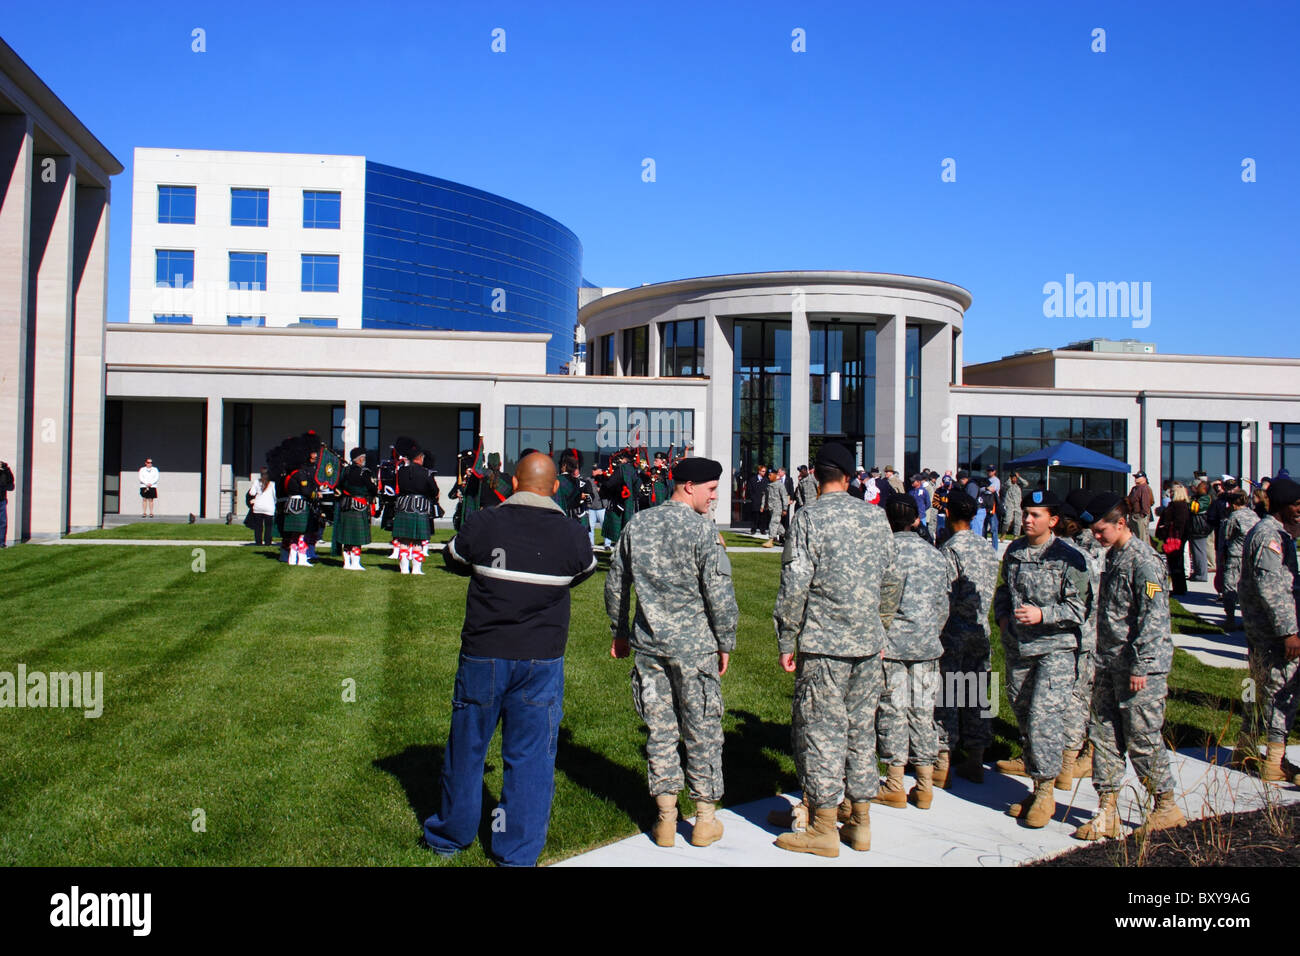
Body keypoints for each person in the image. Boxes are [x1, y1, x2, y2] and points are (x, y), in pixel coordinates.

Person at [423, 452, 596, 866]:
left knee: (467, 746)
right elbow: (582, 571)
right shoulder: (572, 534)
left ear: (514, 482)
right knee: (531, 757)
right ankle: (516, 851)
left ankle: (452, 834)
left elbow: (453, 558)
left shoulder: (485, 521)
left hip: (484, 653)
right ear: (556, 488)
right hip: (541, 659)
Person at [772, 442, 899, 857]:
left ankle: (824, 827)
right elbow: (892, 580)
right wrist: (879, 627)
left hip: (824, 644)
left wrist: (786, 638)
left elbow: (795, 584)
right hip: (866, 643)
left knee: (823, 732)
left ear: (816, 478)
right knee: (861, 730)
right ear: (848, 478)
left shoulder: (808, 518)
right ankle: (859, 820)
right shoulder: (876, 517)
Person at [605, 457, 738, 848]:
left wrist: (619, 632)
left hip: (648, 644)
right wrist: (725, 640)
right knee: (703, 731)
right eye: (711, 490)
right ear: (689, 486)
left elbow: (616, 585)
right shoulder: (702, 531)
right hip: (694, 648)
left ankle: (665, 820)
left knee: (660, 732)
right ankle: (704, 820)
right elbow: (720, 594)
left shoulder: (638, 524)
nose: (714, 498)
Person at [1071, 491, 1184, 840]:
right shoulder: (1115, 556)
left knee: (1142, 739)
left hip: (1139, 669)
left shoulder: (1145, 562)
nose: (1096, 536)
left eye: (1102, 529)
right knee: (1103, 736)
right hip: (1109, 664)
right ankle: (1107, 810)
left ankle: (1166, 805)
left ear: (1121, 523)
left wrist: (1143, 666)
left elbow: (1154, 618)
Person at [993, 489, 1089, 829]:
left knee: (1043, 718)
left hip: (1055, 648)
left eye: (1035, 514)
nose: (1028, 519)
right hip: (1020, 648)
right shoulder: (1016, 551)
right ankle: (1035, 785)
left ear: (1053, 520)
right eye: (1026, 513)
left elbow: (1079, 607)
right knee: (1020, 710)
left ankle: (1046, 792)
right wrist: (1002, 617)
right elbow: (1005, 589)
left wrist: (1043, 613)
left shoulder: (1070, 557)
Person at [873, 493, 951, 810]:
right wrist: (932, 631)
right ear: (916, 520)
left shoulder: (883, 553)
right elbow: (943, 604)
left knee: (892, 711)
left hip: (891, 645)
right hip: (927, 643)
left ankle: (893, 781)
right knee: (922, 712)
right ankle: (924, 783)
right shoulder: (936, 556)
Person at [1231, 477, 1300, 783]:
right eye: (1298, 505)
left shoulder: (1277, 532)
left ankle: (1245, 744)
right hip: (1273, 629)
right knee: (1280, 689)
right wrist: (1289, 632)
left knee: (1255, 685)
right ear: (1286, 506)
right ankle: (1275, 759)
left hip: (1263, 626)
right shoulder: (1269, 535)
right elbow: (1271, 586)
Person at [934, 491, 999, 786]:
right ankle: (976, 756)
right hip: (981, 627)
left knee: (947, 692)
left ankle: (943, 758)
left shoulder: (950, 549)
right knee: (979, 693)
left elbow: (944, 593)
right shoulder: (986, 547)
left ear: (949, 515)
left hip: (954, 627)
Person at [393, 441, 436, 575]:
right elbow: (434, 490)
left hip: (404, 504)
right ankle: (416, 569)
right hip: (420, 506)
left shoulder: (401, 472)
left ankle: (404, 569)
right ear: (419, 458)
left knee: (404, 539)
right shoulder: (426, 473)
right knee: (418, 541)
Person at [1216, 490, 1257, 630]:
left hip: (1235, 555)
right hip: (1250, 556)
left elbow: (1227, 535)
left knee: (1230, 587)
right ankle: (1248, 620)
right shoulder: (1254, 515)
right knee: (1247, 589)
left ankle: (1230, 619)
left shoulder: (1234, 516)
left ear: (1233, 504)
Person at [335, 448, 377, 570]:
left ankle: (346, 563)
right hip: (359, 505)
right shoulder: (364, 472)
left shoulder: (345, 470)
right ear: (359, 459)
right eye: (363, 457)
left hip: (346, 504)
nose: (364, 459)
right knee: (357, 538)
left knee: (347, 537)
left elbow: (338, 486)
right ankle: (355, 563)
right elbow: (372, 488)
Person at [1155, 483, 1190, 595]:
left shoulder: (1178, 506)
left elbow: (1179, 523)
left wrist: (1166, 527)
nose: (1170, 494)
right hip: (1175, 537)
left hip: (1175, 538)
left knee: (1176, 563)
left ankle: (1178, 588)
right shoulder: (1179, 505)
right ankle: (1179, 587)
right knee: (1175, 563)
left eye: (1172, 492)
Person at [601, 450, 640, 548]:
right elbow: (638, 485)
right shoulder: (633, 470)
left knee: (617, 531)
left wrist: (603, 481)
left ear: (624, 459)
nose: (619, 460)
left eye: (620, 458)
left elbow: (610, 484)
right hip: (629, 504)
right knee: (626, 529)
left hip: (618, 504)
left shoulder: (621, 469)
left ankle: (619, 554)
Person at [1187, 480, 1213, 582]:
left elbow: (1195, 508)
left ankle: (1202, 574)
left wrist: (1187, 502)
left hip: (1200, 528)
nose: (1193, 489)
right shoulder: (1197, 498)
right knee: (1195, 552)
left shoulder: (1205, 498)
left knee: (1199, 552)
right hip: (1194, 528)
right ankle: (1197, 572)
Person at [245, 467, 277, 546]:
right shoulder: (272, 484)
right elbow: (275, 496)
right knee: (268, 526)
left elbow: (252, 493)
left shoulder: (256, 482)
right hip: (269, 507)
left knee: (258, 527)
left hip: (258, 506)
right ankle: (267, 542)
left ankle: (258, 542)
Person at [761, 466, 790, 548]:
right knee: (778, 526)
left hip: (778, 508)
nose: (769, 476)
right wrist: (763, 506)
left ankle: (770, 541)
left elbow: (784, 497)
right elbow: (765, 496)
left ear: (775, 475)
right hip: (771, 508)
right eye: (768, 475)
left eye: (770, 475)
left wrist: (785, 509)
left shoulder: (780, 485)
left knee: (773, 523)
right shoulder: (769, 485)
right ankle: (789, 538)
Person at [1126, 472, 1155, 545]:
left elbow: (1147, 502)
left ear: (1144, 479)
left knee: (1142, 537)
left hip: (1140, 516)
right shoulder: (1134, 488)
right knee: (1133, 536)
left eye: (1138, 477)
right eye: (1136, 477)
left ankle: (1145, 554)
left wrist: (1143, 514)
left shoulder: (1145, 488)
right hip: (1133, 514)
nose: (1136, 479)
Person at [747, 464, 768, 533]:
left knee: (763, 516)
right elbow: (749, 490)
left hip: (763, 501)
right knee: (755, 516)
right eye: (762, 471)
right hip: (755, 500)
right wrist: (753, 498)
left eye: (765, 471)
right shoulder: (753, 479)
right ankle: (753, 529)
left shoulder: (766, 480)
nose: (764, 473)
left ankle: (763, 529)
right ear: (759, 471)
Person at [1002, 472, 1024, 539]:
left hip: (1018, 506)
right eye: (1013, 478)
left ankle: (1016, 536)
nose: (1014, 479)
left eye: (1015, 478)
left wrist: (1019, 477)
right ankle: (1004, 533)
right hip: (1010, 505)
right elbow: (1007, 484)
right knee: (1007, 521)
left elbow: (1026, 483)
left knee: (1018, 522)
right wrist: (1009, 478)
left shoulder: (1019, 485)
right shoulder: (1008, 485)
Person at [0, 458, 14, 547]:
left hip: (2, 500)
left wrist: (5, 469)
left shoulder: (5, 471)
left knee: (2, 522)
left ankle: (1, 543)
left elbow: (11, 482)